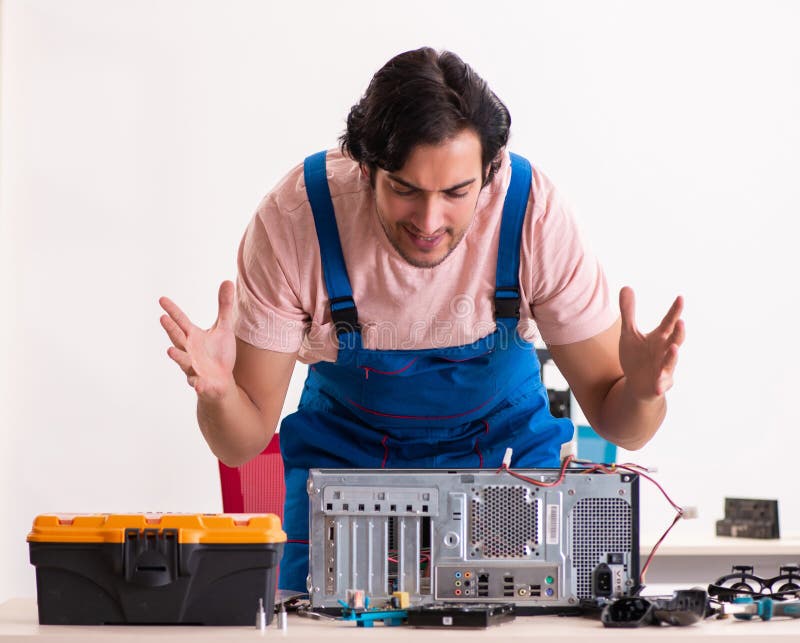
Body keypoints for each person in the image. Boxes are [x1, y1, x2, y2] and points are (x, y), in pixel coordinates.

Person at [158, 47, 685, 592]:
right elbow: (239, 446)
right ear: (365, 168)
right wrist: (219, 397)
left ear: (491, 170)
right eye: (405, 190)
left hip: (509, 472)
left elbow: (622, 426)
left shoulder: (534, 216)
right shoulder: (297, 223)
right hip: (343, 472)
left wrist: (644, 393)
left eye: (457, 193)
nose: (430, 222)